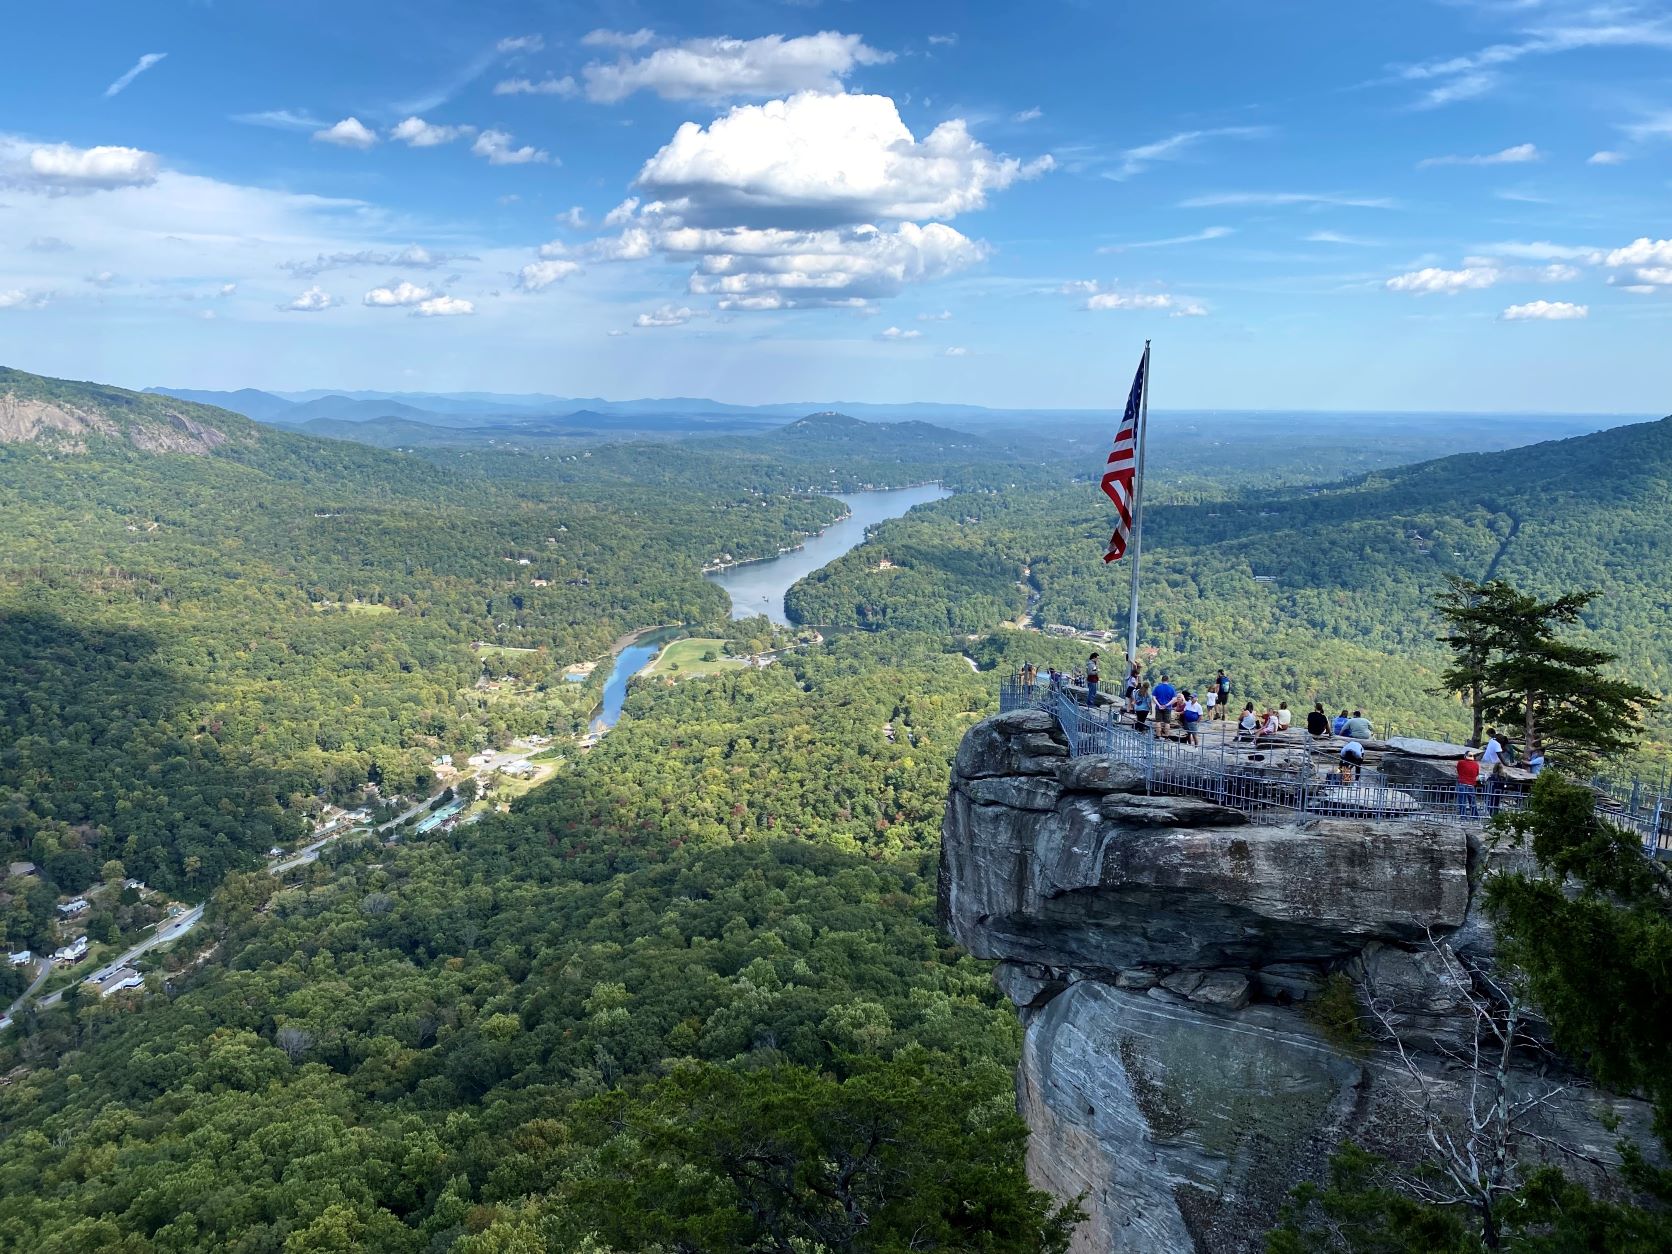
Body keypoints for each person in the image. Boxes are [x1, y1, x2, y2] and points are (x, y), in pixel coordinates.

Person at [1455, 749, 1481, 818]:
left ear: (1465, 756)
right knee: (1472, 801)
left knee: (1462, 801)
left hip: (1462, 783)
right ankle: (1474, 816)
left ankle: (1463, 816)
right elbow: (1477, 773)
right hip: (1471, 785)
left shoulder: (1461, 762)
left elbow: (1458, 770)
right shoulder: (1476, 764)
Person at [1151, 674, 1177, 738]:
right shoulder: (1171, 688)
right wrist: (1167, 705)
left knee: (1158, 722)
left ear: (1161, 680)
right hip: (1167, 708)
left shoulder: (1157, 687)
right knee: (1167, 722)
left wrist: (1158, 704)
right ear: (1168, 680)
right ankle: (1166, 736)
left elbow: (1153, 697)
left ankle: (1158, 736)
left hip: (1158, 707)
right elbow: (1174, 699)